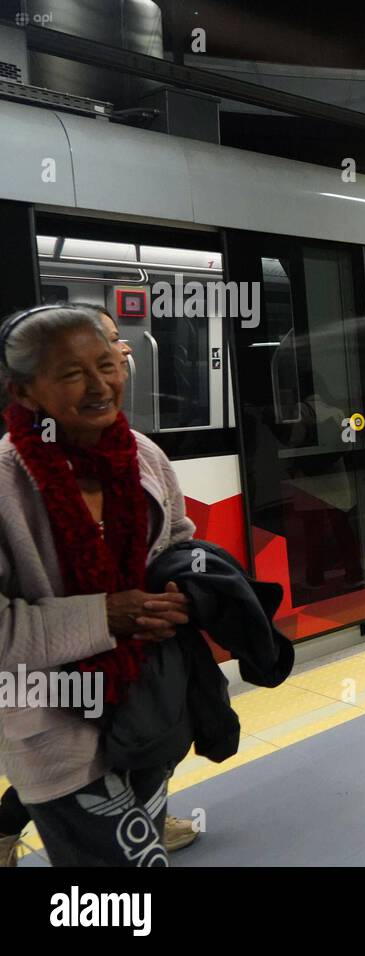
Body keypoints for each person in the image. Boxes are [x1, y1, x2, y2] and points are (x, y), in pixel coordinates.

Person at [0, 306, 200, 866]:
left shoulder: (145, 457)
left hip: (147, 709)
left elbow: (179, 547)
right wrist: (106, 616)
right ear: (25, 391)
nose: (99, 386)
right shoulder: (6, 483)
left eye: (108, 365)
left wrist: (187, 590)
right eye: (70, 374)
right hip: (53, 722)